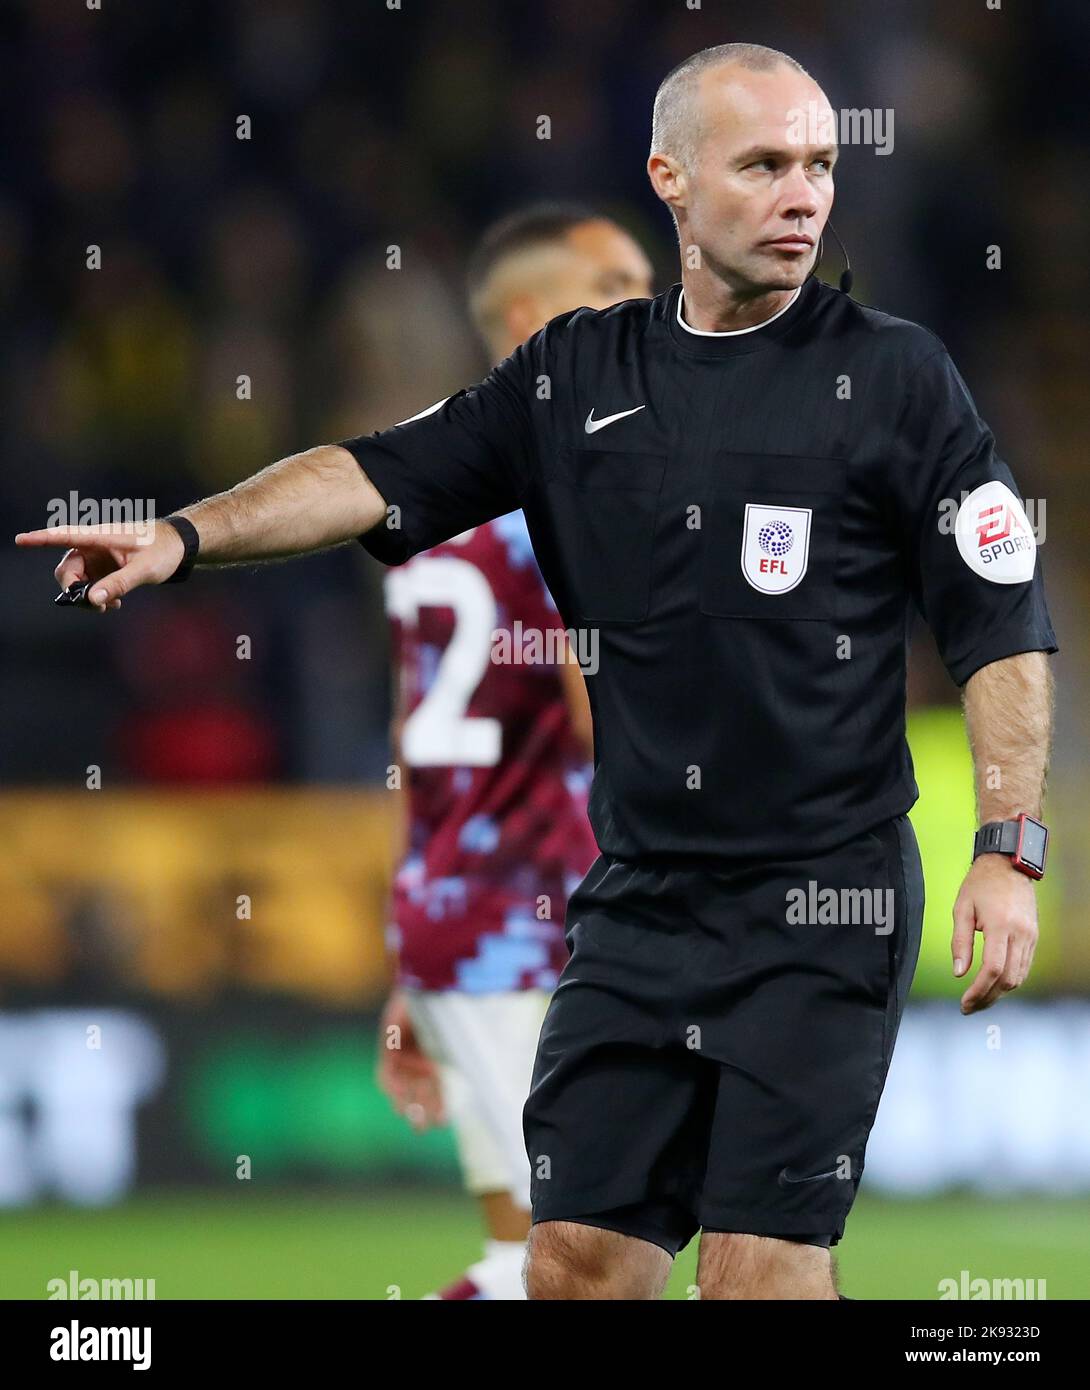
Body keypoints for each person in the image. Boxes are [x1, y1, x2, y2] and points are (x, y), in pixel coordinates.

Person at [17, 43, 1058, 1301]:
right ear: (668, 178)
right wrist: (184, 537)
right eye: (766, 163)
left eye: (821, 165)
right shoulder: (575, 375)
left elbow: (999, 613)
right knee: (570, 1265)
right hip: (640, 902)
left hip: (820, 898)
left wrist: (1007, 845)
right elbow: (368, 473)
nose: (804, 194)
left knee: (756, 1277)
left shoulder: (895, 379)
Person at [374, 205, 652, 1299]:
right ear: (533, 316)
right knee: (596, 1257)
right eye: (615, 281)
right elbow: (607, 713)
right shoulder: (566, 473)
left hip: (457, 918)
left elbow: (417, 748)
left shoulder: (421, 472)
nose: (643, 303)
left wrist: (412, 952)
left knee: (524, 1258)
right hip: (543, 920)